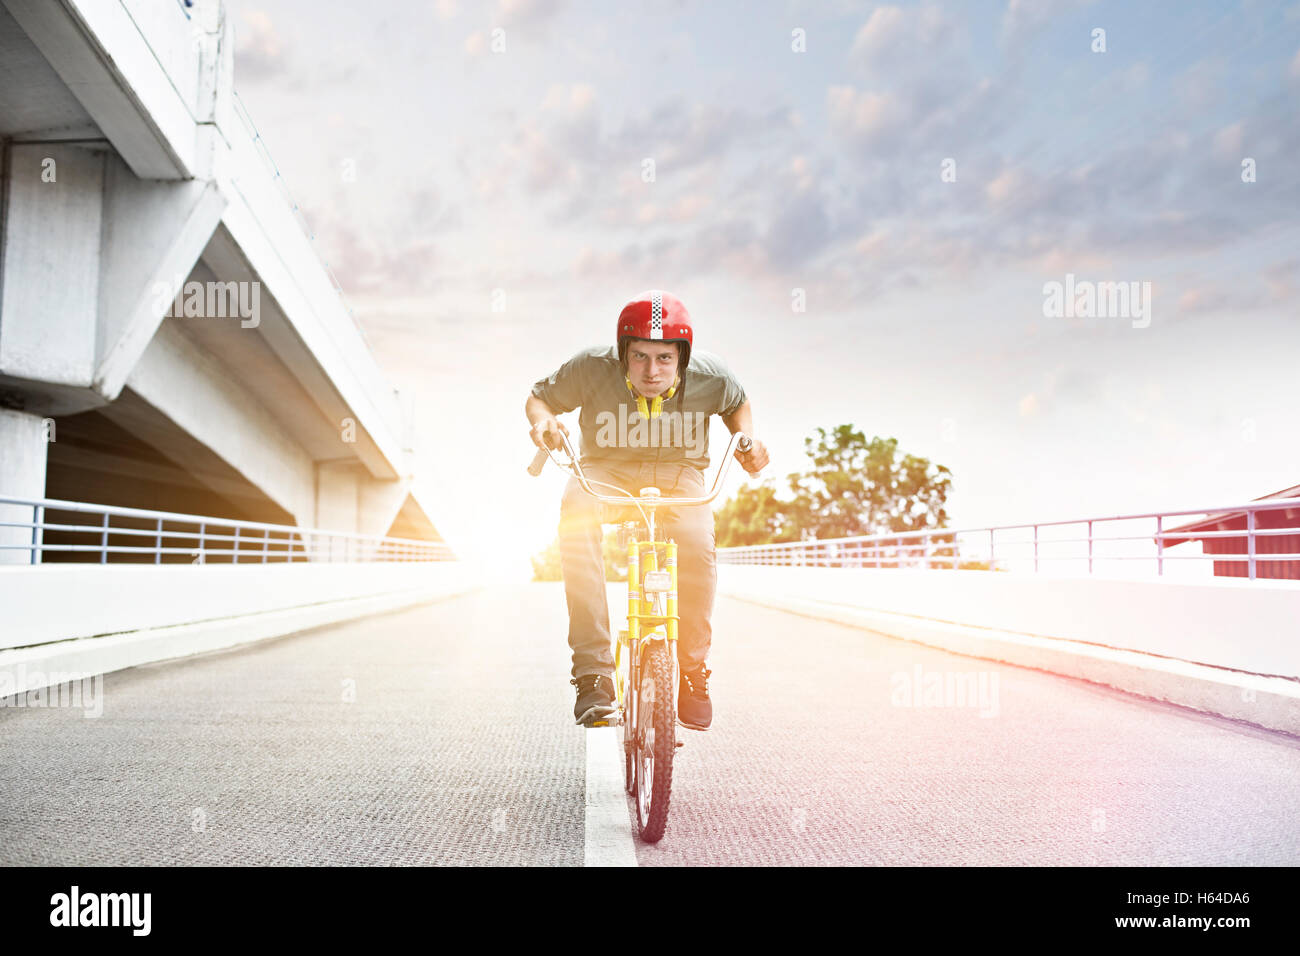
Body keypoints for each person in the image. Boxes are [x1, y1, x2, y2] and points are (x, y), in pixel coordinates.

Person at [525, 290, 769, 729]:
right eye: (639, 357)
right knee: (576, 519)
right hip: (605, 471)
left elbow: (737, 405)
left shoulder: (711, 377)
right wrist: (543, 423)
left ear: (682, 357)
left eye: (663, 358)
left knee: (697, 542)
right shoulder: (589, 367)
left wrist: (746, 439)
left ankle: (693, 672)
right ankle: (593, 676)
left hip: (680, 474)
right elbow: (539, 397)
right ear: (622, 352)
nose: (651, 371)